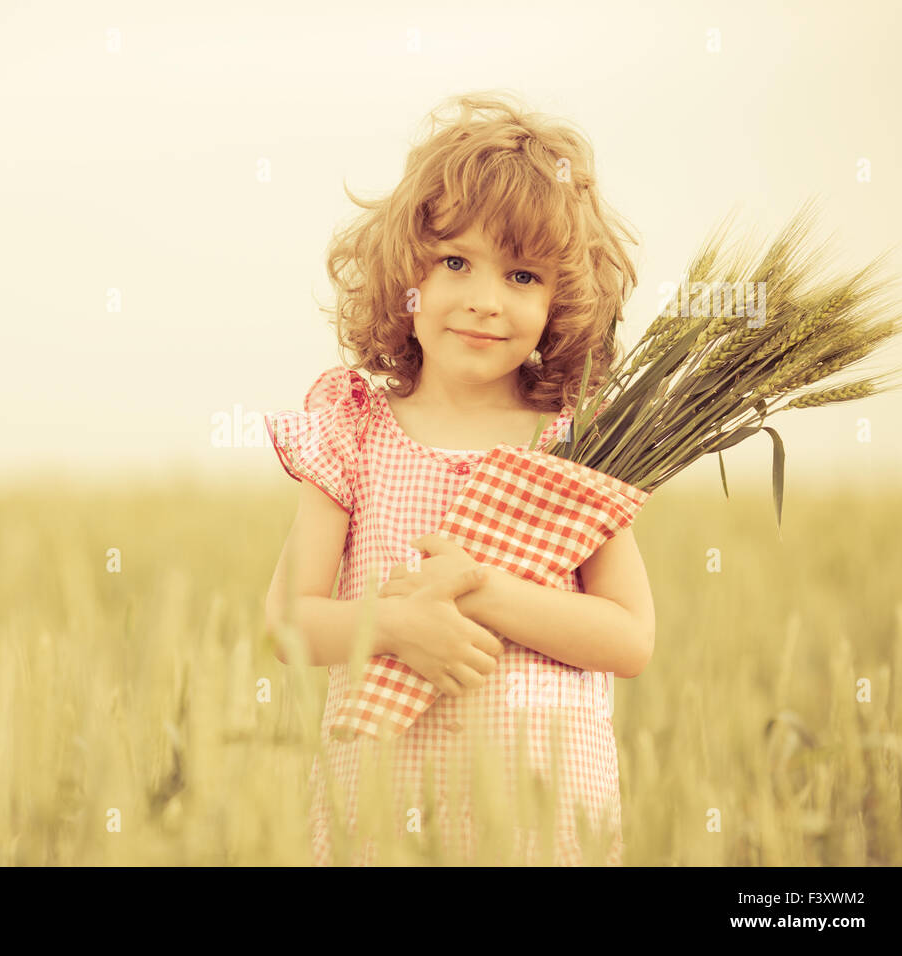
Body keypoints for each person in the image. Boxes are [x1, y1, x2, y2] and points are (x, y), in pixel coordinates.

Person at [262, 91, 655, 866]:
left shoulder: (571, 449)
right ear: (404, 277)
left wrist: (487, 594)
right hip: (382, 811)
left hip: (544, 823)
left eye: (521, 275)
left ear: (559, 303)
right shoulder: (356, 432)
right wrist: (396, 626)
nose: (483, 300)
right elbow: (285, 619)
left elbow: (629, 637)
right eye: (454, 263)